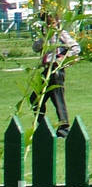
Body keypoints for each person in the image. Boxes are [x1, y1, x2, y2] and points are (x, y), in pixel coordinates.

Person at [29, 9, 80, 138]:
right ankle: (41, 125)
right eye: (47, 22)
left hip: (56, 70)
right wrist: (43, 38)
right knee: (35, 98)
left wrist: (62, 58)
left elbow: (75, 47)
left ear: (57, 22)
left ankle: (64, 128)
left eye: (52, 22)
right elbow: (35, 48)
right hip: (46, 70)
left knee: (58, 99)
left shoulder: (61, 34)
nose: (50, 25)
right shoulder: (45, 36)